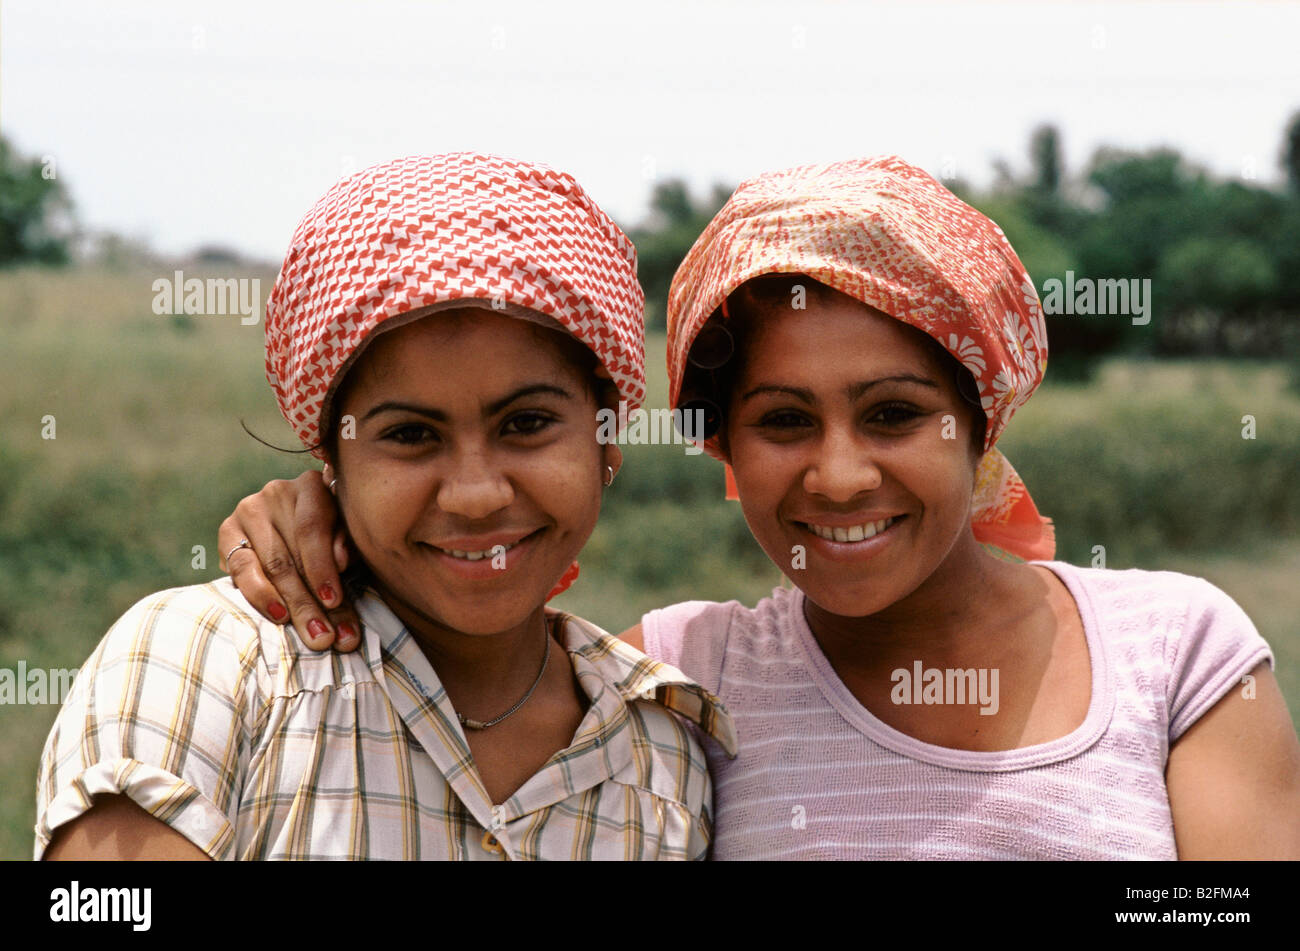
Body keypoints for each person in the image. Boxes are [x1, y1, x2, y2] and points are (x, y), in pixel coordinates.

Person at [214, 156, 1300, 859]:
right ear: (719, 446)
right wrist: (325, 521)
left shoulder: (1175, 652)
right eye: (782, 422)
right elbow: (462, 657)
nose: (838, 476)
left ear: (980, 425)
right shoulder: (683, 683)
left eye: (891, 414)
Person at [35, 153, 735, 861]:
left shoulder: (661, 757)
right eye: (410, 435)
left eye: (525, 424)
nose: (475, 493)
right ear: (331, 464)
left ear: (607, 437)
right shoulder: (205, 665)